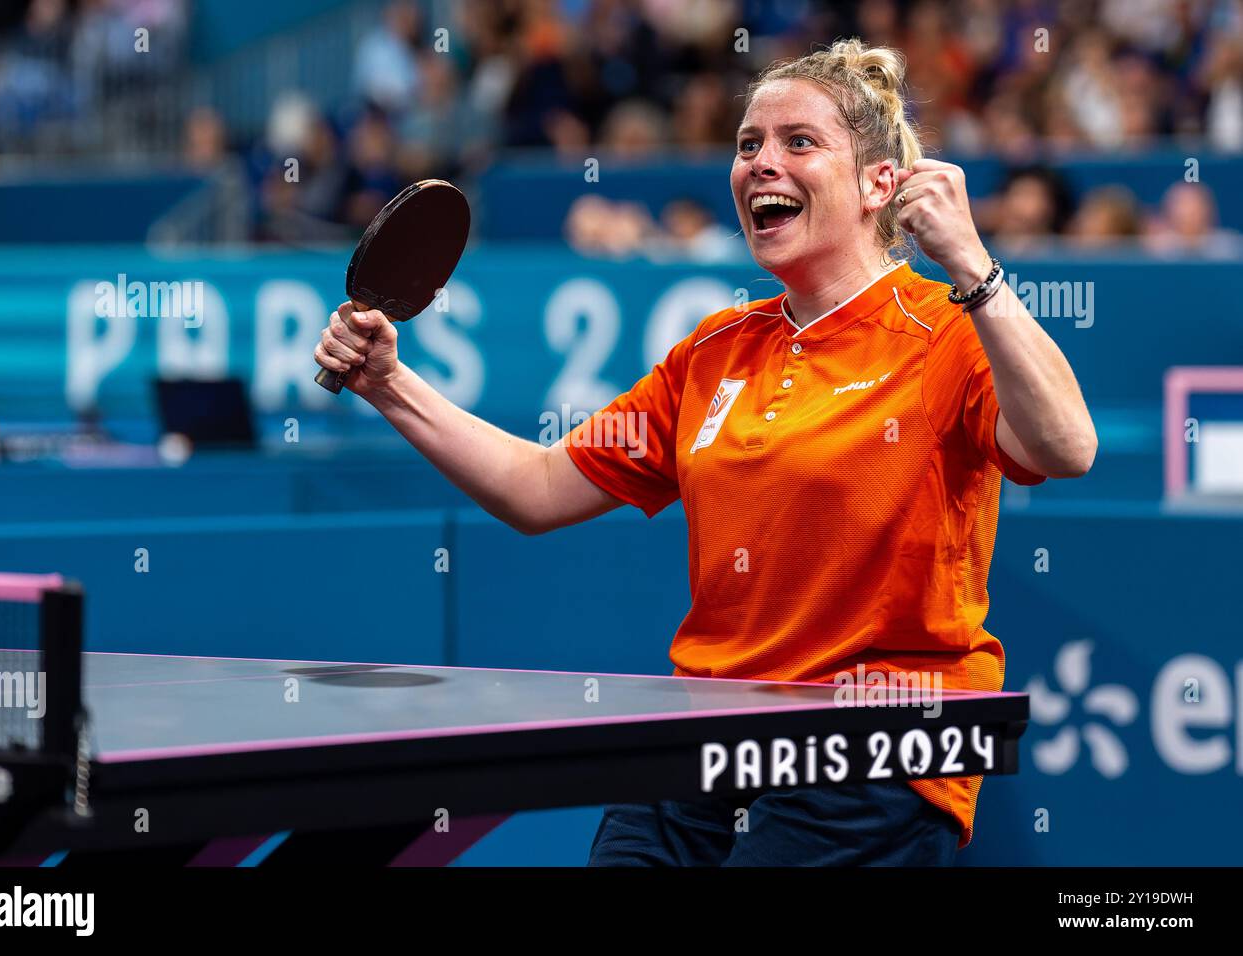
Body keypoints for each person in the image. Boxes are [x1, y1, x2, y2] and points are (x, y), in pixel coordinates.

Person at [314, 39, 1097, 866]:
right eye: (748, 143)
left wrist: (974, 268)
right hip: (707, 737)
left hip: (875, 746)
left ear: (880, 184)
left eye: (800, 142)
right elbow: (536, 488)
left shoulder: (944, 332)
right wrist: (388, 383)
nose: (762, 162)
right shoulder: (716, 349)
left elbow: (1067, 446)